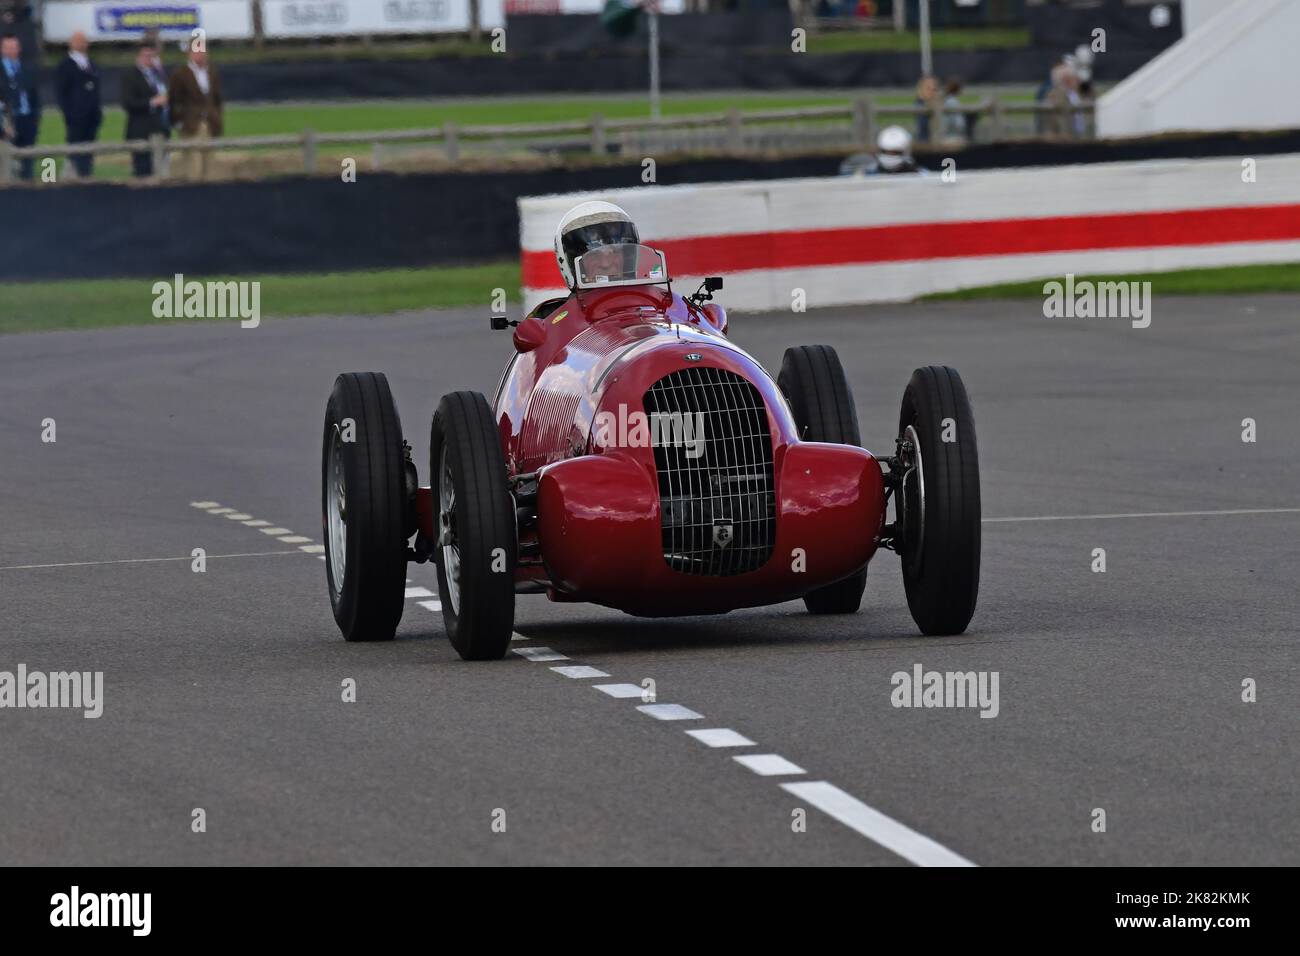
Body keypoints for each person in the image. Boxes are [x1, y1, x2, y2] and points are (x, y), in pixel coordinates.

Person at [554, 201, 641, 290]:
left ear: (628, 257)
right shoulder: (568, 304)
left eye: (614, 251)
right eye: (594, 254)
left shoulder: (653, 300)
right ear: (574, 265)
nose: (605, 264)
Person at [168, 43, 223, 181]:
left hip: (209, 123)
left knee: (210, 165)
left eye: (203, 51)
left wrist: (217, 117)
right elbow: (173, 101)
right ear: (190, 53)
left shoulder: (211, 73)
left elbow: (217, 99)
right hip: (191, 125)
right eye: (197, 51)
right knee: (194, 165)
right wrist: (179, 122)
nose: (201, 54)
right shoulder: (180, 74)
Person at [121, 39, 169, 177]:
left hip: (159, 129)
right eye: (146, 56)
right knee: (142, 171)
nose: (149, 59)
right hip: (140, 131)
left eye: (151, 56)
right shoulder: (130, 76)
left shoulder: (158, 75)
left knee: (160, 170)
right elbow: (128, 103)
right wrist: (152, 102)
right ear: (138, 57)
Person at [56, 31, 102, 179]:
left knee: (88, 154)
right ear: (71, 43)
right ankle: (70, 180)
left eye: (83, 40)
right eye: (78, 40)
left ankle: (86, 179)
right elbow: (61, 93)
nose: (81, 43)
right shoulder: (65, 66)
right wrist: (70, 114)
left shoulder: (92, 64)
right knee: (74, 152)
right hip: (75, 119)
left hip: (92, 118)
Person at [1, 32, 39, 180]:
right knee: (7, 165)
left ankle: (28, 193)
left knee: (28, 163)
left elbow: (35, 96)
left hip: (27, 121)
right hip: (7, 123)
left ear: (19, 48)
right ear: (2, 49)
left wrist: (35, 120)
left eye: (13, 47)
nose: (11, 50)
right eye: (7, 47)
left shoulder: (27, 69)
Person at [838, 125, 924, 177]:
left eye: (895, 152)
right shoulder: (868, 170)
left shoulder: (917, 172)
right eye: (887, 151)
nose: (891, 154)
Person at [913, 74, 939, 143]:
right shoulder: (920, 106)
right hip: (925, 144)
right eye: (928, 88)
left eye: (935, 89)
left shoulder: (938, 105)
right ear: (920, 90)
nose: (932, 92)